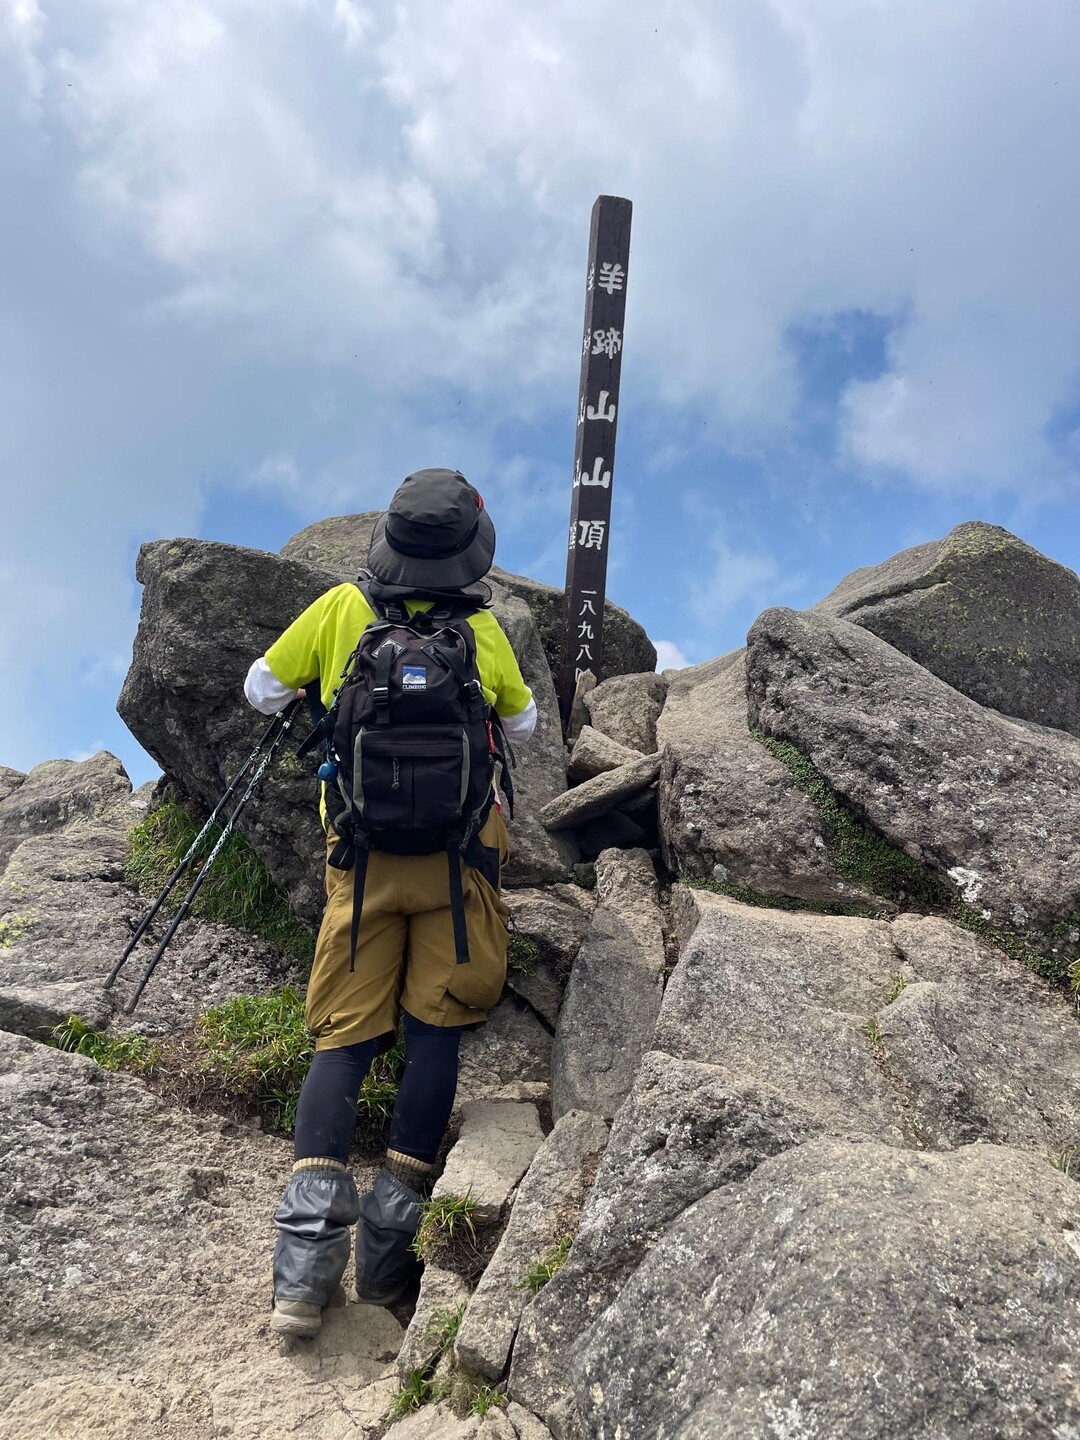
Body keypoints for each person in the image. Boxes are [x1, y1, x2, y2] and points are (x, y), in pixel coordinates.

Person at [244, 468, 536, 1338]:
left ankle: (301, 1278)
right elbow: (519, 730)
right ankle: (384, 1260)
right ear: (468, 555)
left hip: (360, 863)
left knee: (342, 1041)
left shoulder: (341, 611)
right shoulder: (481, 628)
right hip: (459, 867)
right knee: (433, 1035)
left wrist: (316, 691)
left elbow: (260, 686)